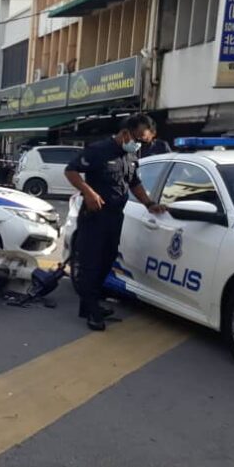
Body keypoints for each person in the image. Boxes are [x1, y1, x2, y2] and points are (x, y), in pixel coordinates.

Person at [65, 113, 167, 331]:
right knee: (91, 263)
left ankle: (88, 305)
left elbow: (134, 182)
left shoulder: (130, 156)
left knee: (108, 259)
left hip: (115, 216)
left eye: (144, 142)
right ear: (125, 133)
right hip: (94, 216)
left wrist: (149, 203)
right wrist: (88, 193)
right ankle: (92, 310)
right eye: (138, 139)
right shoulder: (99, 150)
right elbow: (71, 170)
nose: (139, 144)